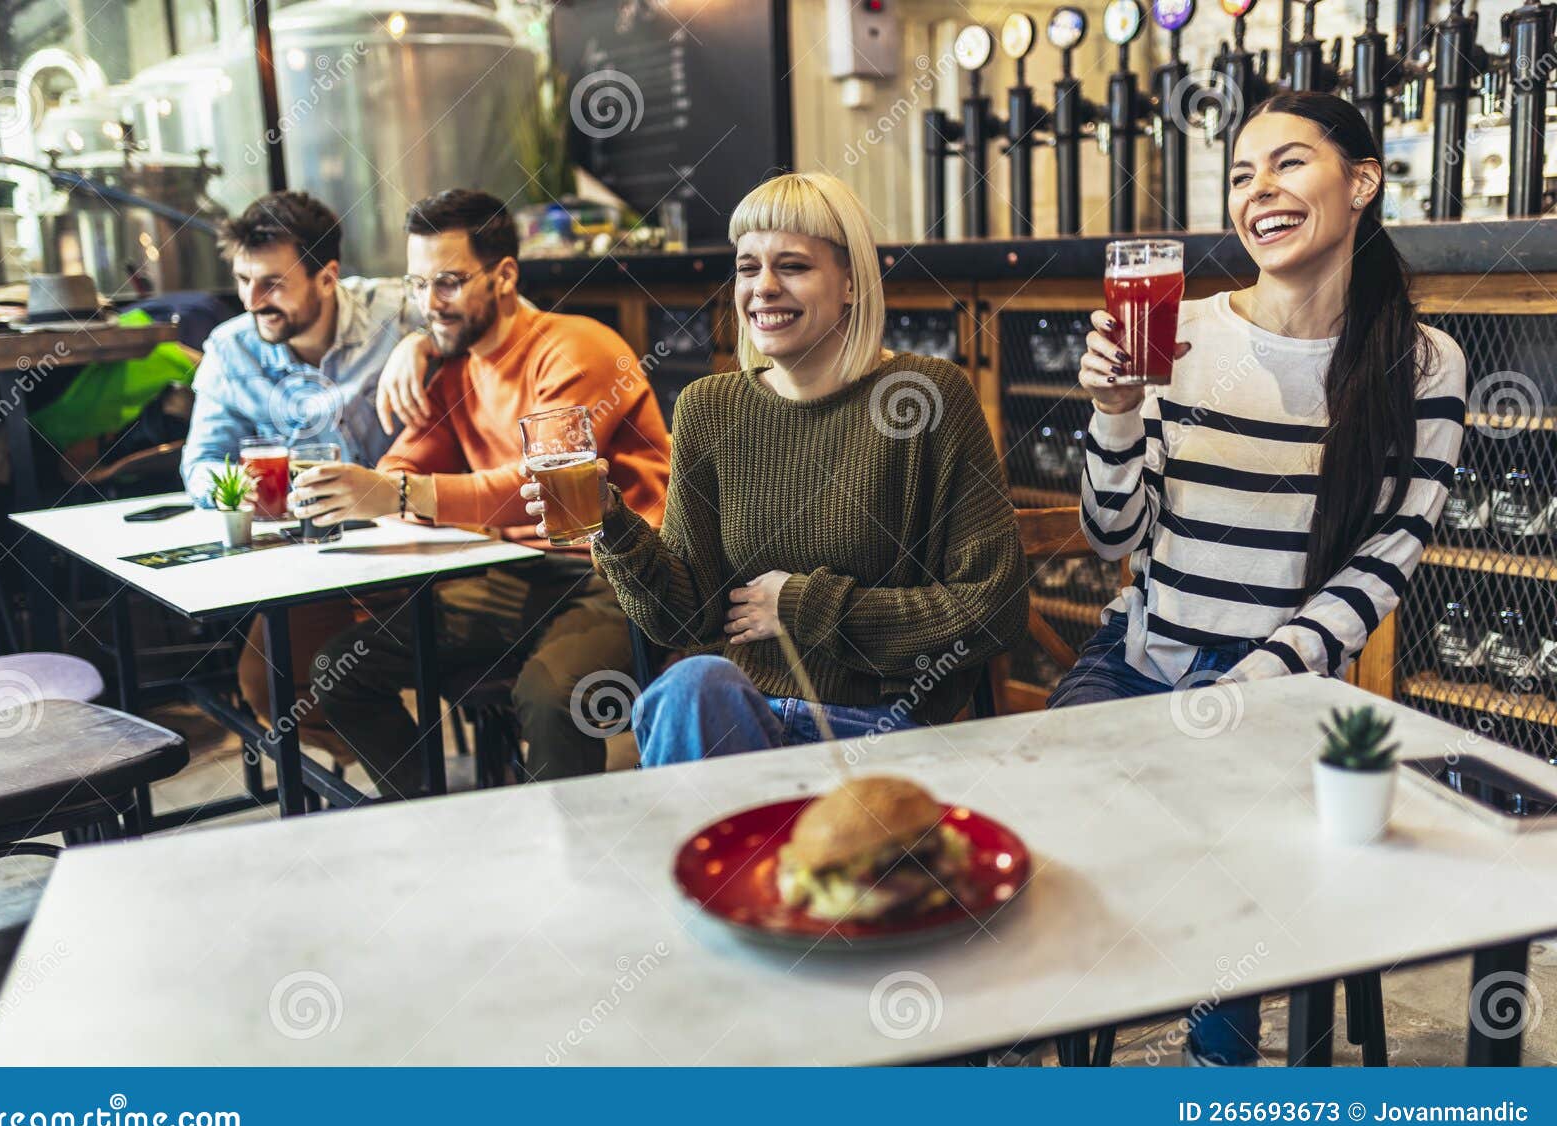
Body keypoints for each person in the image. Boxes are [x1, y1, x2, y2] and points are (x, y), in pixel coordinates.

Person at [1059, 92, 1467, 1065]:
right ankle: (1069, 1068)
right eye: (1241, 174)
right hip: (1136, 657)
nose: (1260, 192)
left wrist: (1240, 685)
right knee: (1057, 803)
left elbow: (1376, 569)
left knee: (1219, 809)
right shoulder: (1176, 335)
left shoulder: (1421, 364)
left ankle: (1216, 1072)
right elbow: (1108, 530)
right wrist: (1115, 413)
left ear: (1362, 182)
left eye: (1288, 163)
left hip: (1280, 686)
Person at [523, 172, 1026, 764]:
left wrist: (804, 606)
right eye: (746, 267)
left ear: (851, 285)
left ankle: (735, 850)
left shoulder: (926, 396)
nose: (763, 288)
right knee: (689, 686)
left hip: (879, 732)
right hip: (740, 724)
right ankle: (731, 853)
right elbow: (685, 618)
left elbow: (994, 608)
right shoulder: (710, 408)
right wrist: (611, 523)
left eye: (793, 266)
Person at [293, 189, 670, 797]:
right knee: (339, 670)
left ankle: (574, 867)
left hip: (618, 572)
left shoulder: (576, 348)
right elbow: (405, 461)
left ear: (504, 276)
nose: (428, 305)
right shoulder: (454, 364)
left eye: (446, 282)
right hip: (514, 571)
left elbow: (536, 487)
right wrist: (383, 480)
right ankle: (434, 821)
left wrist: (397, 493)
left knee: (551, 695)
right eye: (416, 285)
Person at [178, 191, 419, 754]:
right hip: (317, 561)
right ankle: (413, 782)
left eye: (274, 283)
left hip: (415, 537)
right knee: (269, 687)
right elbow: (200, 465)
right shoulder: (231, 351)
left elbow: (486, 323)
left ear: (328, 276)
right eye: (243, 280)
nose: (254, 300)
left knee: (474, 660)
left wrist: (422, 344)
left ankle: (440, 782)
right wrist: (249, 491)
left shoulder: (402, 311)